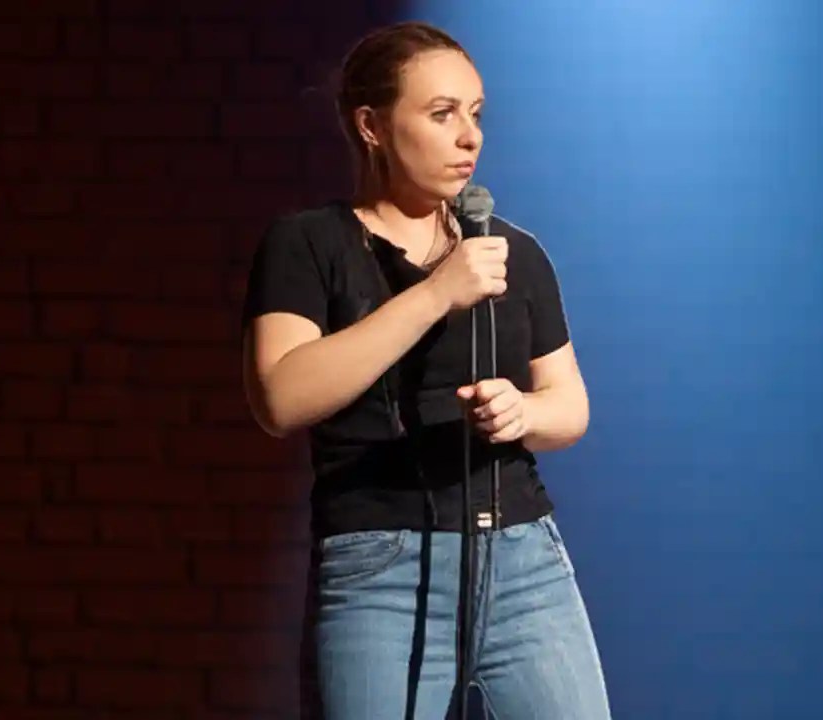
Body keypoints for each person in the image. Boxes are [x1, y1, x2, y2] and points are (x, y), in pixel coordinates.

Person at [240, 20, 612, 720]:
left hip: (523, 563)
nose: (468, 136)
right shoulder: (309, 244)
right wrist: (435, 294)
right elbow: (281, 397)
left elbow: (570, 405)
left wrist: (523, 412)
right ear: (372, 125)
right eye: (441, 115)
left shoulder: (511, 252)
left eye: (475, 115)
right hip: (379, 568)